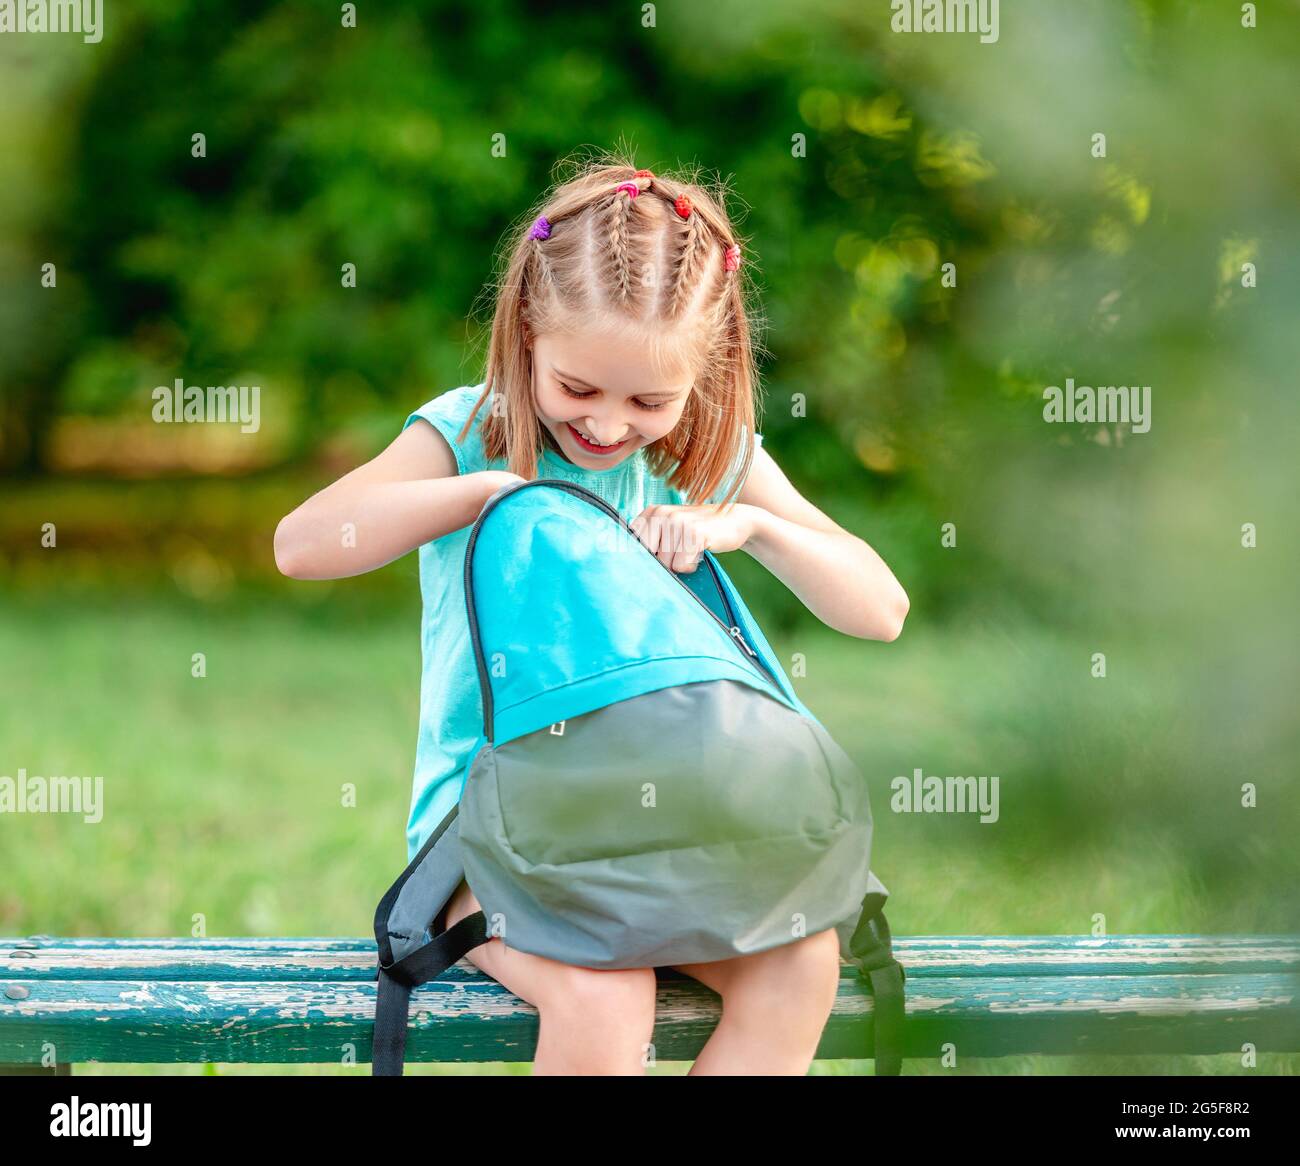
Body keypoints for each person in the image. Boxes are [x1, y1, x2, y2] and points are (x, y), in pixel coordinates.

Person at [274, 154, 909, 1075]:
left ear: (704, 373)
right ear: (528, 329)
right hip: (496, 838)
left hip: (677, 828)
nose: (609, 426)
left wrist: (754, 524)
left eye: (648, 399)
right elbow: (303, 543)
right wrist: (481, 495)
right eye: (578, 388)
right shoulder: (469, 433)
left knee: (800, 967)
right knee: (605, 994)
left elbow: (881, 610)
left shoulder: (703, 457)